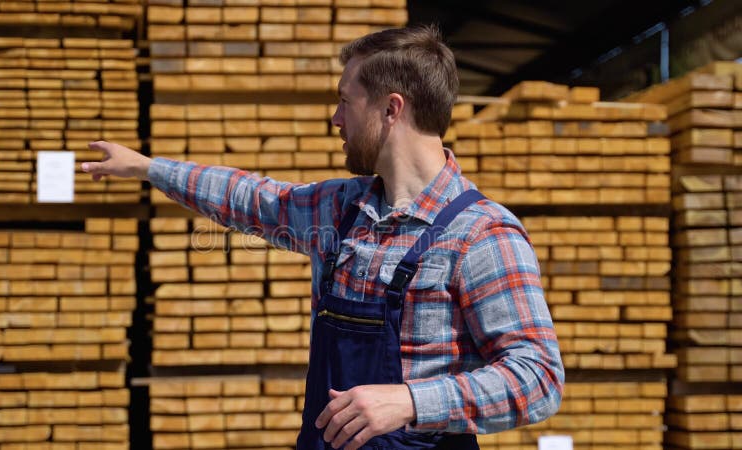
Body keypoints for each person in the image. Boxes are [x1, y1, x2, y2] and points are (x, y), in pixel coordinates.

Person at [83, 25, 563, 450]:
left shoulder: (481, 234)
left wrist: (411, 401)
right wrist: (148, 169)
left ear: (391, 109)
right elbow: (250, 198)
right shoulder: (341, 211)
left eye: (344, 101)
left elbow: (538, 378)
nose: (335, 119)